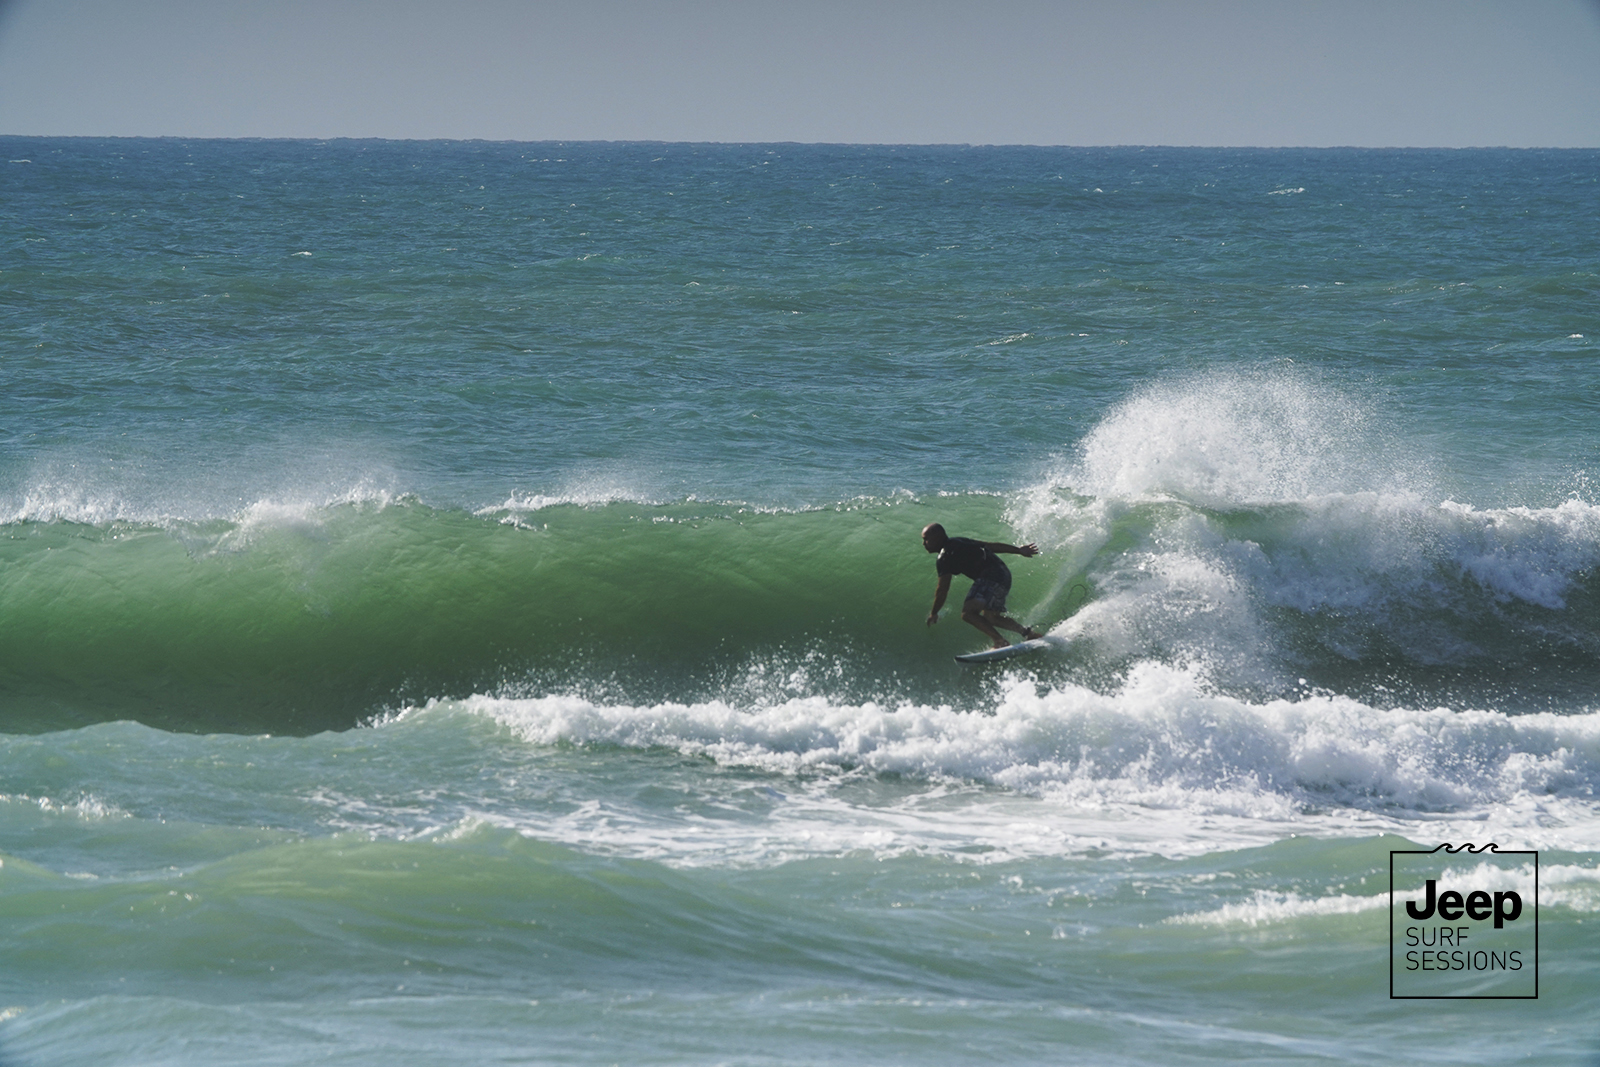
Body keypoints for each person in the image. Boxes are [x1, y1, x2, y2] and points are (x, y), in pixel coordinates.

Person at [921, 523, 1043, 649]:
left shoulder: (944, 557)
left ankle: (1000, 641)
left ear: (938, 537)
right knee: (991, 617)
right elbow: (990, 546)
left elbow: (942, 590)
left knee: (968, 613)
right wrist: (1018, 550)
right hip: (1004, 574)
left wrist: (934, 612)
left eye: (926, 539)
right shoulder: (959, 541)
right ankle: (1029, 634)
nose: (924, 543)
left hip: (990, 576)